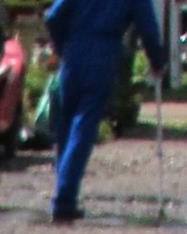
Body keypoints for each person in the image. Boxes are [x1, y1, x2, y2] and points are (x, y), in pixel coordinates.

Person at [45, 0, 163, 217]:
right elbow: (148, 27)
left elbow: (53, 16)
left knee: (67, 122)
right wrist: (157, 61)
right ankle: (64, 197)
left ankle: (63, 190)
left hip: (72, 53)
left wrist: (62, 46)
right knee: (84, 125)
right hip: (103, 54)